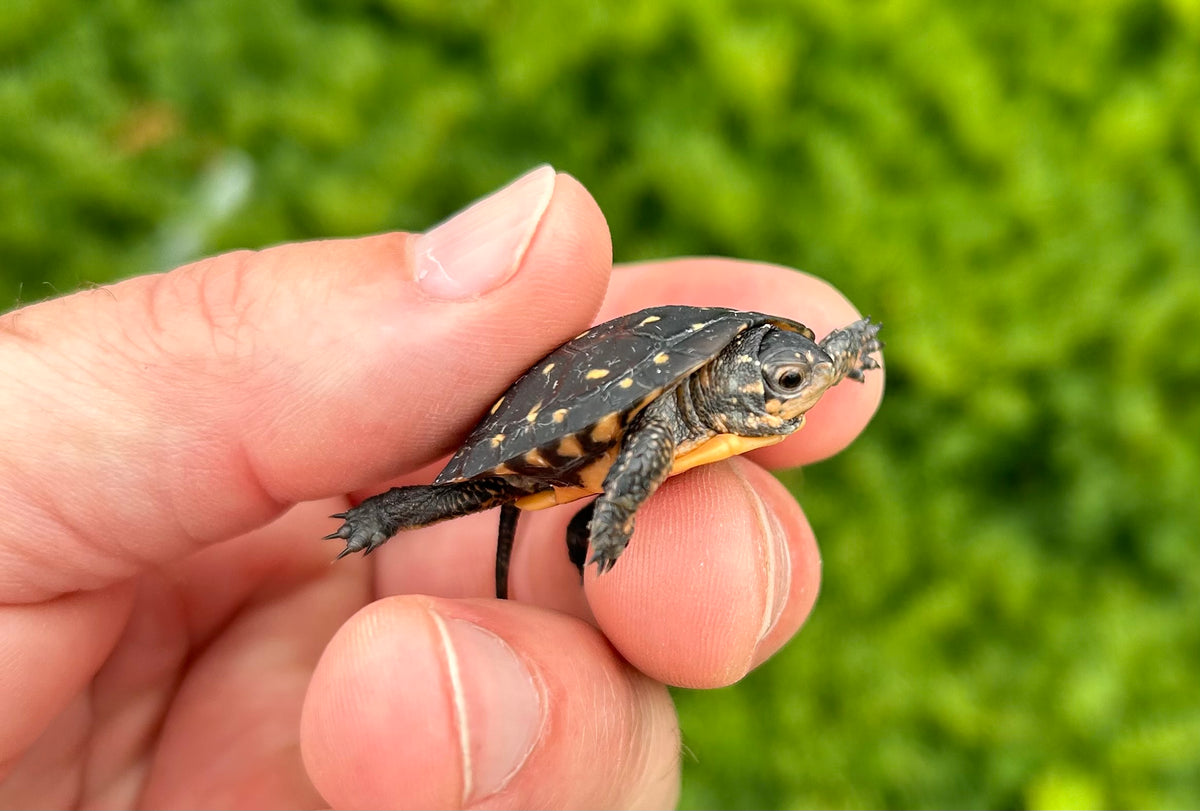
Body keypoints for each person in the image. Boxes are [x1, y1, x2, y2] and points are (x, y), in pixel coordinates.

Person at [0, 166, 883, 808]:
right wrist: (615, 513)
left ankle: (565, 534)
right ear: (726, 378)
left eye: (794, 380)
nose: (791, 389)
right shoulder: (677, 406)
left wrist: (841, 353)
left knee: (569, 555)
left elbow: (804, 360)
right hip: (567, 422)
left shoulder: (750, 368)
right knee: (486, 489)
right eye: (782, 385)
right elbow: (650, 433)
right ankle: (386, 513)